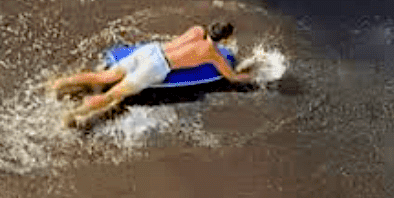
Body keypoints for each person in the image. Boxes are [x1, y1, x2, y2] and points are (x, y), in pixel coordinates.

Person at [50, 21, 251, 129]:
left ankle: (58, 83)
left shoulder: (197, 29)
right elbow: (232, 77)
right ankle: (72, 115)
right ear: (225, 38)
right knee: (113, 95)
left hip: (150, 50)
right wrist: (253, 73)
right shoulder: (213, 55)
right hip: (157, 67)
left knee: (103, 77)